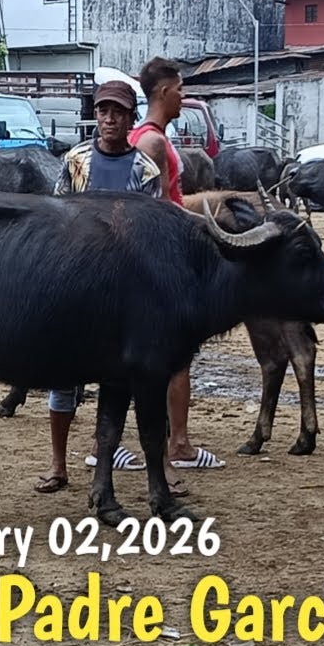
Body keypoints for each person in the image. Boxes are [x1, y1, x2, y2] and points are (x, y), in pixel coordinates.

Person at [35, 79, 163, 494]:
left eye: (118, 112)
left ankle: (103, 463)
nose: (110, 119)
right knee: (62, 378)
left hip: (124, 293)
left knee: (117, 382)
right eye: (104, 111)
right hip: (75, 284)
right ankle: (57, 465)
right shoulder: (75, 161)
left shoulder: (146, 171)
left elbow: (151, 233)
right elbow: (54, 218)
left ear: (131, 119)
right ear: (96, 115)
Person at [129, 56, 224, 477]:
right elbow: (162, 206)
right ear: (165, 92)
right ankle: (179, 442)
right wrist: (207, 228)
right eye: (181, 90)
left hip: (163, 250)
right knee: (177, 354)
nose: (184, 97)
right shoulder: (151, 142)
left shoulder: (146, 137)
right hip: (166, 255)